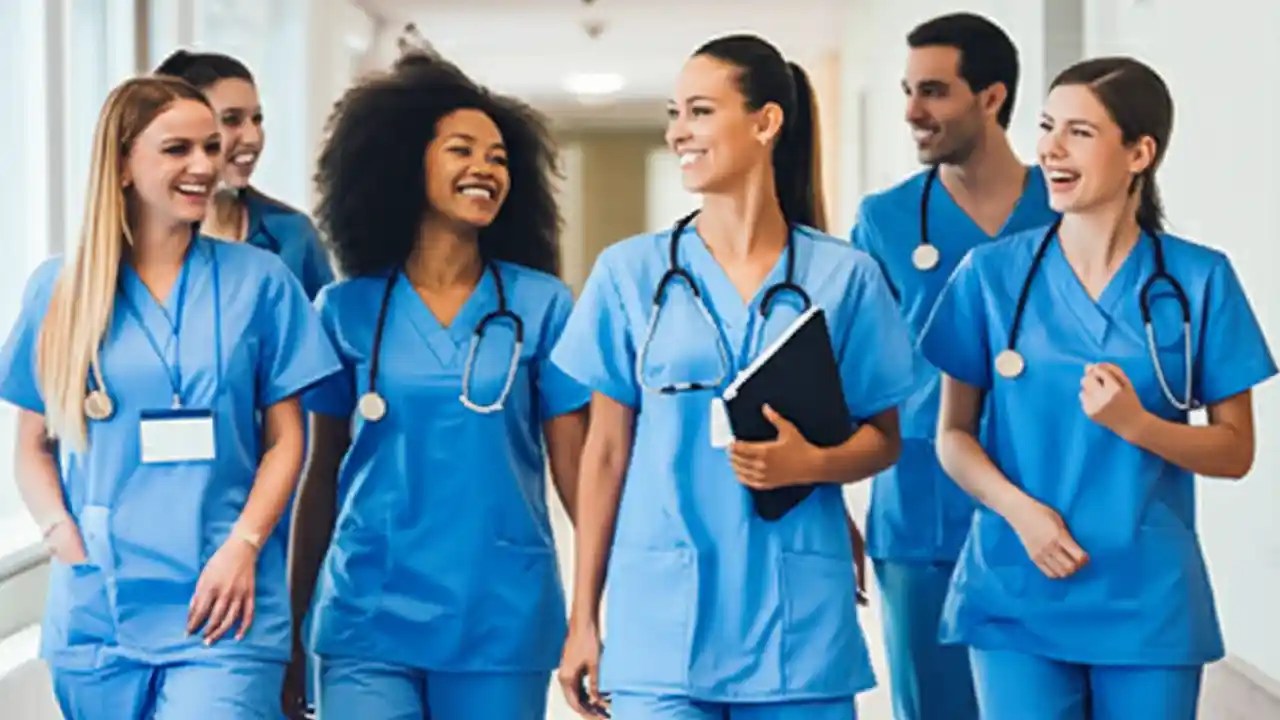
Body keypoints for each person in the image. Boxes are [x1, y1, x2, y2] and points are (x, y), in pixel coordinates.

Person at [553, 34, 914, 720]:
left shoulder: (844, 278)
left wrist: (815, 461)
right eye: (674, 113)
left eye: (698, 111)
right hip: (661, 621)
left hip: (795, 618)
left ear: (766, 121)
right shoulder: (631, 274)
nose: (677, 131)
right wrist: (583, 618)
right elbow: (603, 454)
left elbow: (884, 439)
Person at [919, 56, 1276, 720]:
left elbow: (1235, 452)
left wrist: (1137, 424)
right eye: (1048, 126)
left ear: (1140, 152)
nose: (1049, 148)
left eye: (1079, 132)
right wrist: (1021, 514)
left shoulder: (1200, 281)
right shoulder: (991, 278)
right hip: (1017, 586)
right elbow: (953, 436)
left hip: (1148, 600)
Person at [0, 76, 340, 719]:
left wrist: (245, 543)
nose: (204, 166)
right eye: (178, 149)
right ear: (123, 164)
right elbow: (31, 445)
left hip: (225, 601)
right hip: (100, 602)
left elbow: (288, 438)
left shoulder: (260, 281)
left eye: (211, 147)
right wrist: (61, 537)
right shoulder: (61, 290)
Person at [284, 54, 589, 720]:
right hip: (367, 611)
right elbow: (319, 476)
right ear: (402, 163)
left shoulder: (542, 306)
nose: (486, 167)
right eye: (462, 150)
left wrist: (601, 605)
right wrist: (293, 628)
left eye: (501, 157)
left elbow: (579, 473)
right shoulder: (343, 310)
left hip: (500, 617)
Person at [848, 13, 1058, 719]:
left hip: (1049, 492)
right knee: (933, 706)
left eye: (933, 91)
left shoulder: (1063, 208)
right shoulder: (885, 220)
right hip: (921, 501)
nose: (912, 111)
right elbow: (853, 364)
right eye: (908, 90)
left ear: (991, 97)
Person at [156, 50, 334, 298]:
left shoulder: (293, 234)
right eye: (231, 120)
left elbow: (324, 333)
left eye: (257, 119)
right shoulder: (138, 244)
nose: (253, 138)